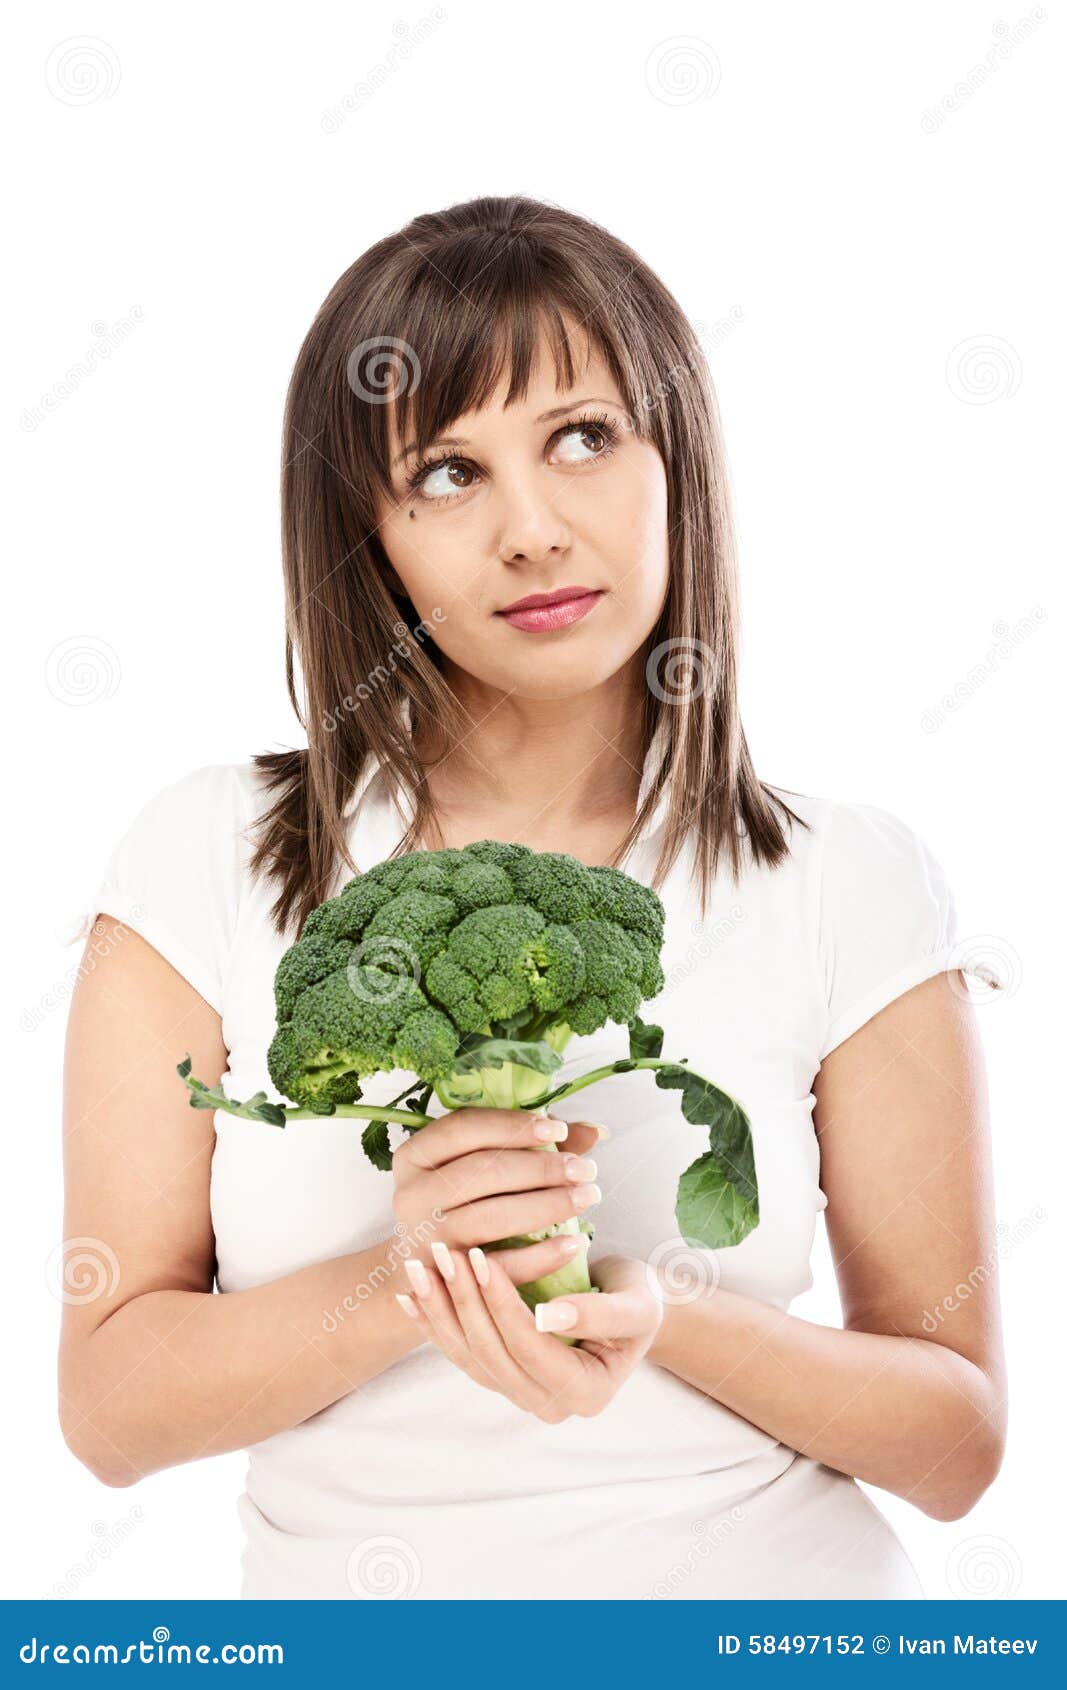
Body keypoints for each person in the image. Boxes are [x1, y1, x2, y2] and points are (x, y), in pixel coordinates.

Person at [59, 194, 1006, 1600]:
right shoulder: (213, 857)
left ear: (673, 455)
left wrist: (658, 1307)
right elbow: (110, 1409)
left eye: (582, 437)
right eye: (447, 471)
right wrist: (411, 1278)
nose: (534, 529)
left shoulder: (845, 878)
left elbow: (957, 1440)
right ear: (365, 533)